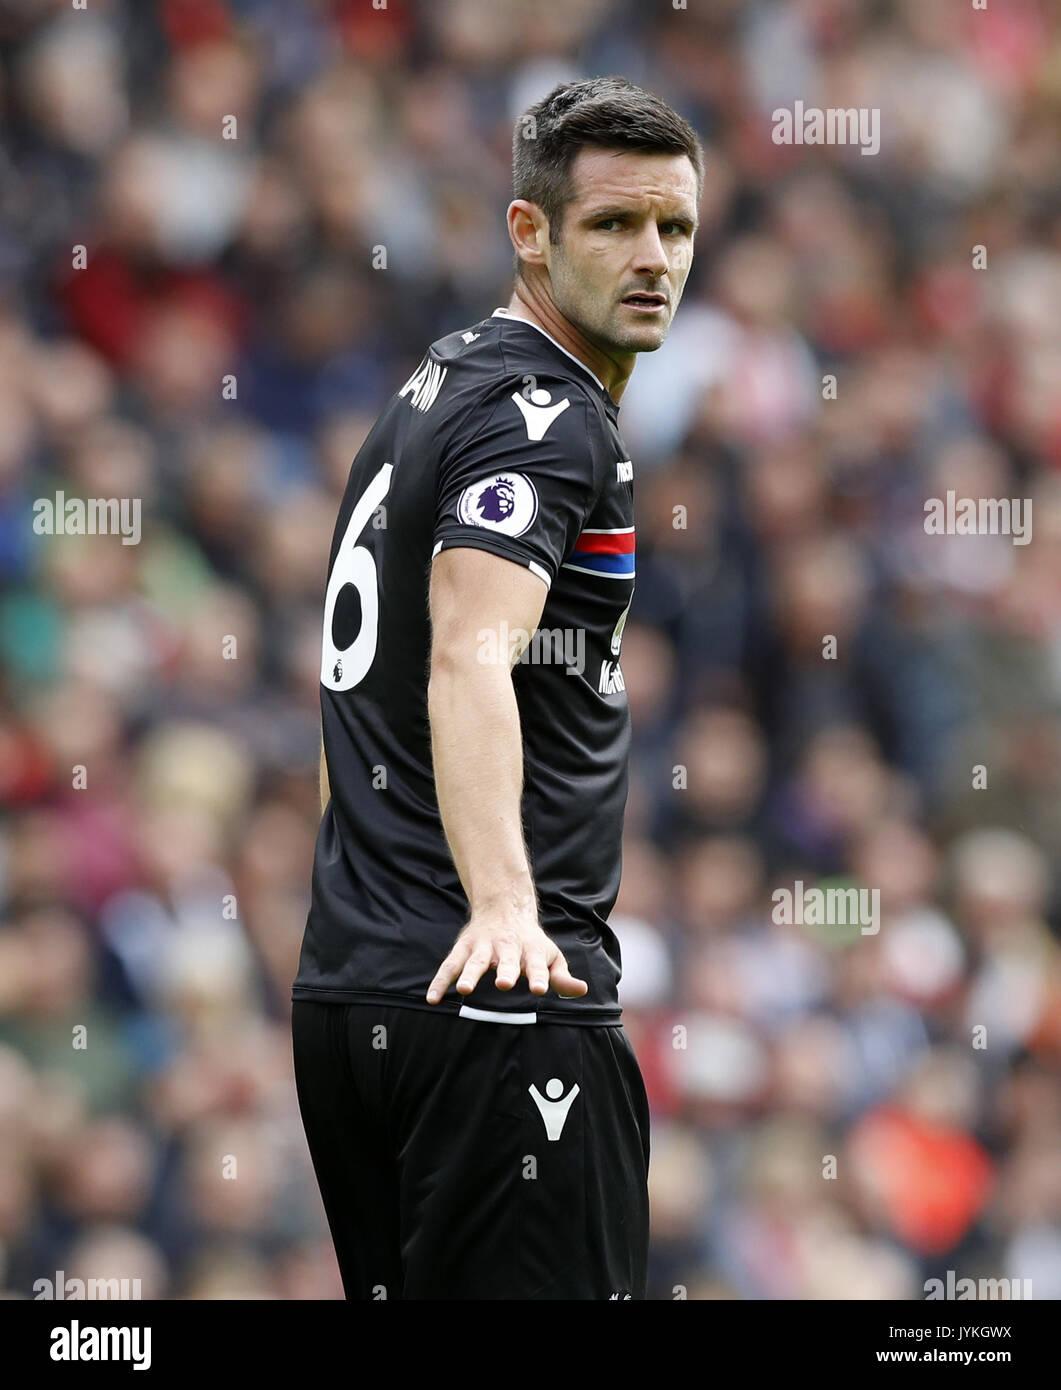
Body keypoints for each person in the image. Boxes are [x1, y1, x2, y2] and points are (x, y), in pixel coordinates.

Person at [291, 75, 703, 1300]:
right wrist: (506, 908)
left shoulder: (432, 388)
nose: (652, 258)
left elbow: (363, 692)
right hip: (499, 996)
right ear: (529, 232)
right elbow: (470, 653)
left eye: (673, 227)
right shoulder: (545, 418)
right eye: (612, 224)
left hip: (358, 990)